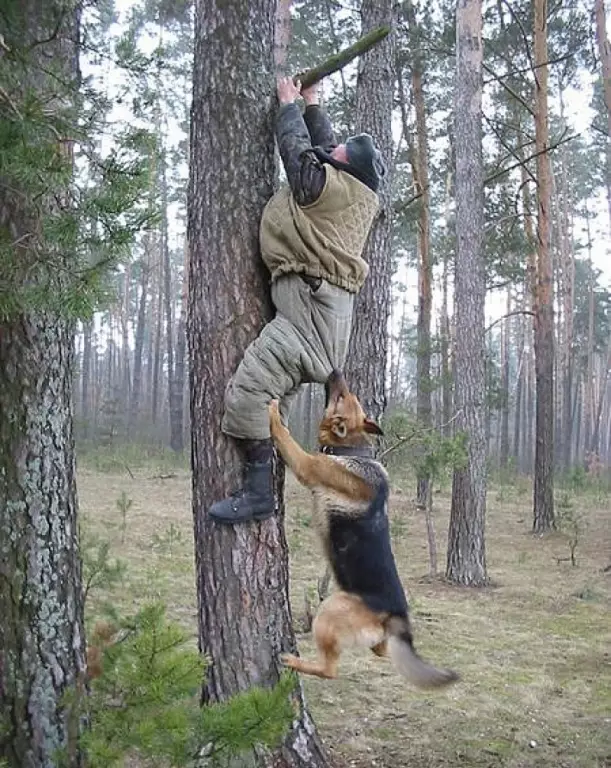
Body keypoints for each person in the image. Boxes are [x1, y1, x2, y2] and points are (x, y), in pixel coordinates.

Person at [210, 75, 386, 525]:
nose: (334, 152)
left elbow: (304, 163)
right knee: (273, 405)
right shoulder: (352, 191)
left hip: (307, 322)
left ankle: (257, 493)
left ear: (349, 170)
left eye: (342, 155)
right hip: (313, 316)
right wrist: (312, 104)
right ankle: (265, 484)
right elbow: (326, 149)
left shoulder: (335, 190)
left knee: (249, 395)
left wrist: (288, 108)